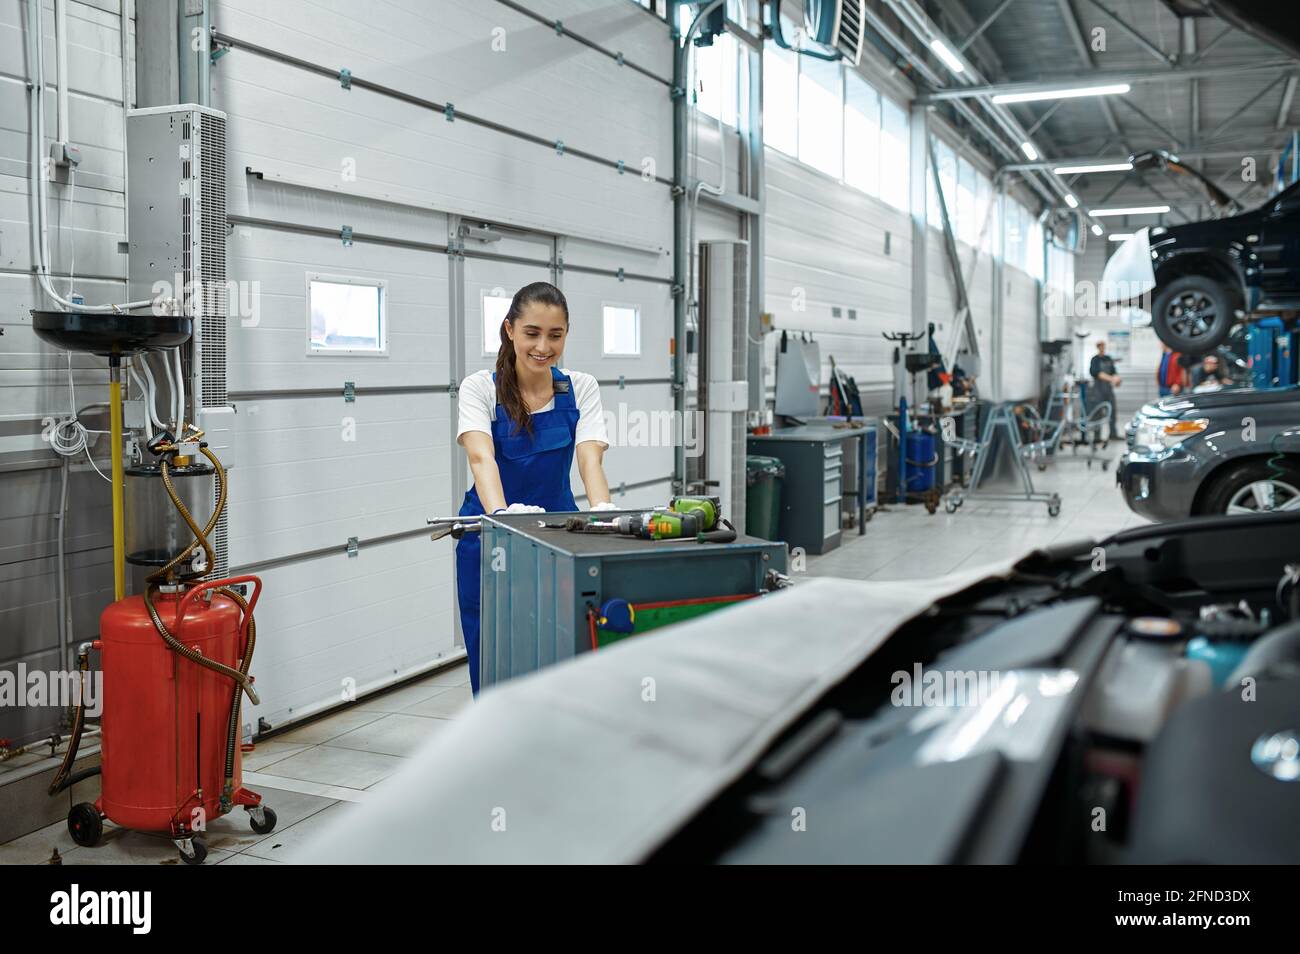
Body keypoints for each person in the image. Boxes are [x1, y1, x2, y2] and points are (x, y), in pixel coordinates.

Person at [454, 282, 614, 695]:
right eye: (532, 333)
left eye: (555, 335)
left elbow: (589, 457)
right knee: (493, 645)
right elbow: (480, 458)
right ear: (509, 329)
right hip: (490, 536)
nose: (543, 346)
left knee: (561, 644)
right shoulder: (480, 389)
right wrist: (503, 517)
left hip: (559, 536)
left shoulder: (580, 388)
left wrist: (602, 509)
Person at [1088, 340, 1121, 441]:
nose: (1103, 348)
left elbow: (1114, 371)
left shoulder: (1108, 358)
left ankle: (1113, 434)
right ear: (1098, 347)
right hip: (1098, 390)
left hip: (1108, 389)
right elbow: (1097, 373)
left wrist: (1117, 379)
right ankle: (1097, 437)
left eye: (1104, 346)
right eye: (1101, 346)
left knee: (1112, 411)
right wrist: (1111, 379)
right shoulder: (1095, 360)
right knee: (1098, 412)